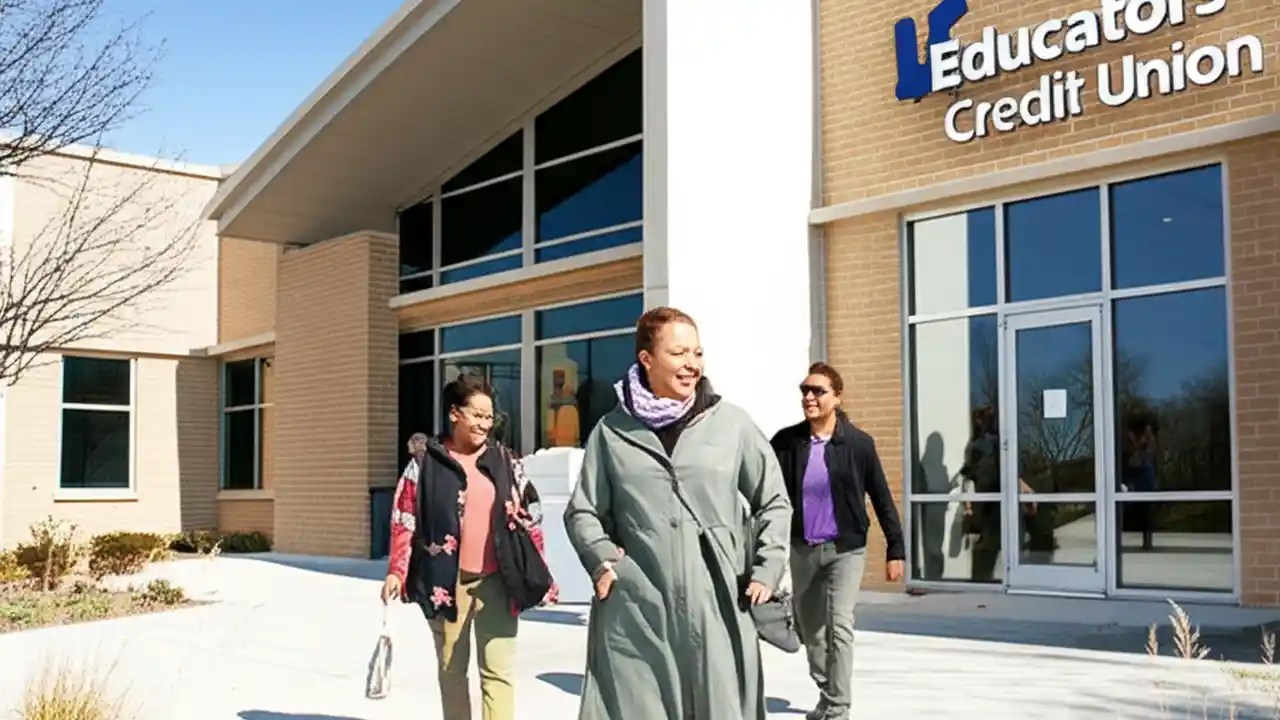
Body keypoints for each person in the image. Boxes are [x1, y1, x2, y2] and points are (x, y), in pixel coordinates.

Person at [564, 306, 792, 720]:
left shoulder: (731, 425)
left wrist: (767, 566)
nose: (692, 365)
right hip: (637, 607)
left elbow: (774, 499)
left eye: (698, 353)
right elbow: (583, 510)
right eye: (679, 353)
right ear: (647, 360)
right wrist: (602, 561)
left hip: (718, 605)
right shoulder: (612, 432)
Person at [381, 375, 531, 720]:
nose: (484, 424)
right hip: (446, 583)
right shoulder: (424, 463)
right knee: (452, 673)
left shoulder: (505, 461)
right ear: (454, 414)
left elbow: (529, 515)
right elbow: (403, 518)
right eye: (477, 415)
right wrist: (396, 571)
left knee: (498, 673)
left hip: (499, 581)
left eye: (489, 417)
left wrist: (541, 571)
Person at [769, 363, 905, 720]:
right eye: (805, 390)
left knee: (839, 624)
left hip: (846, 549)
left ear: (837, 397)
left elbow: (881, 496)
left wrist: (896, 548)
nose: (809, 397)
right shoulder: (786, 442)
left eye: (818, 391)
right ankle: (828, 695)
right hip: (804, 548)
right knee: (811, 631)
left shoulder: (859, 444)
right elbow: (763, 490)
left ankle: (839, 709)